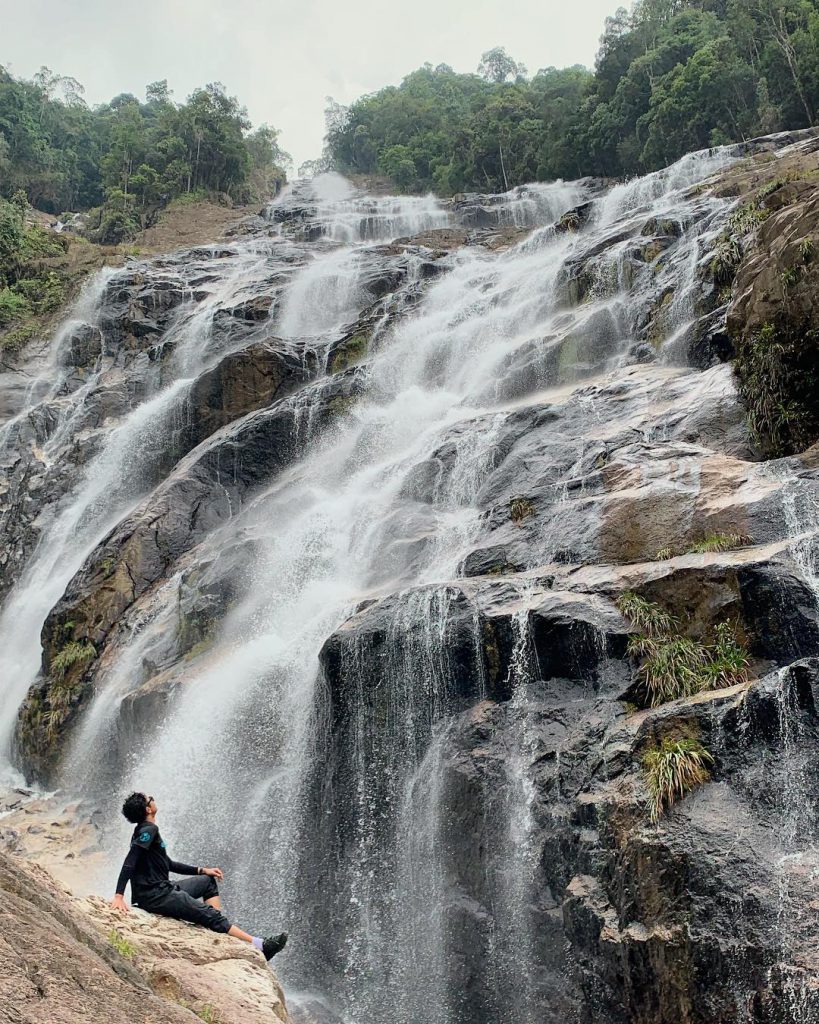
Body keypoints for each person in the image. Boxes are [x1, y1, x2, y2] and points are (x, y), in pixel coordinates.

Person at [111, 792, 287, 961]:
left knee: (207, 882)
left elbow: (169, 864)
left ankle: (215, 927)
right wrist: (119, 895)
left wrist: (203, 870)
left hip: (163, 889)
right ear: (148, 810)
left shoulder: (146, 831)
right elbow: (130, 861)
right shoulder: (149, 829)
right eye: (151, 799)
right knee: (209, 914)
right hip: (155, 896)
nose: (153, 800)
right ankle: (260, 946)